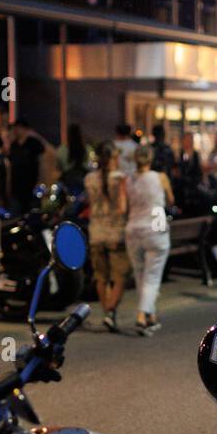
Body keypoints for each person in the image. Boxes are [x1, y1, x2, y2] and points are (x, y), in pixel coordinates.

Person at [125, 144, 173, 336]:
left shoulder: (128, 180)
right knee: (152, 277)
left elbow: (124, 205)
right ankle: (141, 315)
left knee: (140, 275)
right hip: (156, 228)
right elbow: (171, 200)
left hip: (133, 228)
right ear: (151, 158)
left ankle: (149, 316)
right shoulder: (160, 177)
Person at [86, 140, 129, 331]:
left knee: (101, 276)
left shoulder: (89, 179)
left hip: (95, 231)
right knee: (119, 275)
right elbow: (123, 207)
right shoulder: (120, 178)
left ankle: (106, 313)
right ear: (113, 158)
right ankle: (110, 312)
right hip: (115, 233)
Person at [8, 119, 47, 211]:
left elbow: (43, 155)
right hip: (16, 187)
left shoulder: (33, 143)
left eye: (18, 128)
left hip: (31, 185)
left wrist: (42, 180)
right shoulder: (14, 145)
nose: (15, 131)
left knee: (32, 212)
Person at [56, 123, 93, 194]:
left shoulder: (62, 149)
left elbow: (59, 167)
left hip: (67, 181)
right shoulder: (87, 149)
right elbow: (90, 165)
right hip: (83, 179)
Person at [171, 130, 203, 210]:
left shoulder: (196, 154)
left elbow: (198, 170)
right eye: (186, 139)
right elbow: (175, 167)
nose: (188, 142)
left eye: (190, 139)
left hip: (193, 186)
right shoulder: (179, 153)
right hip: (181, 187)